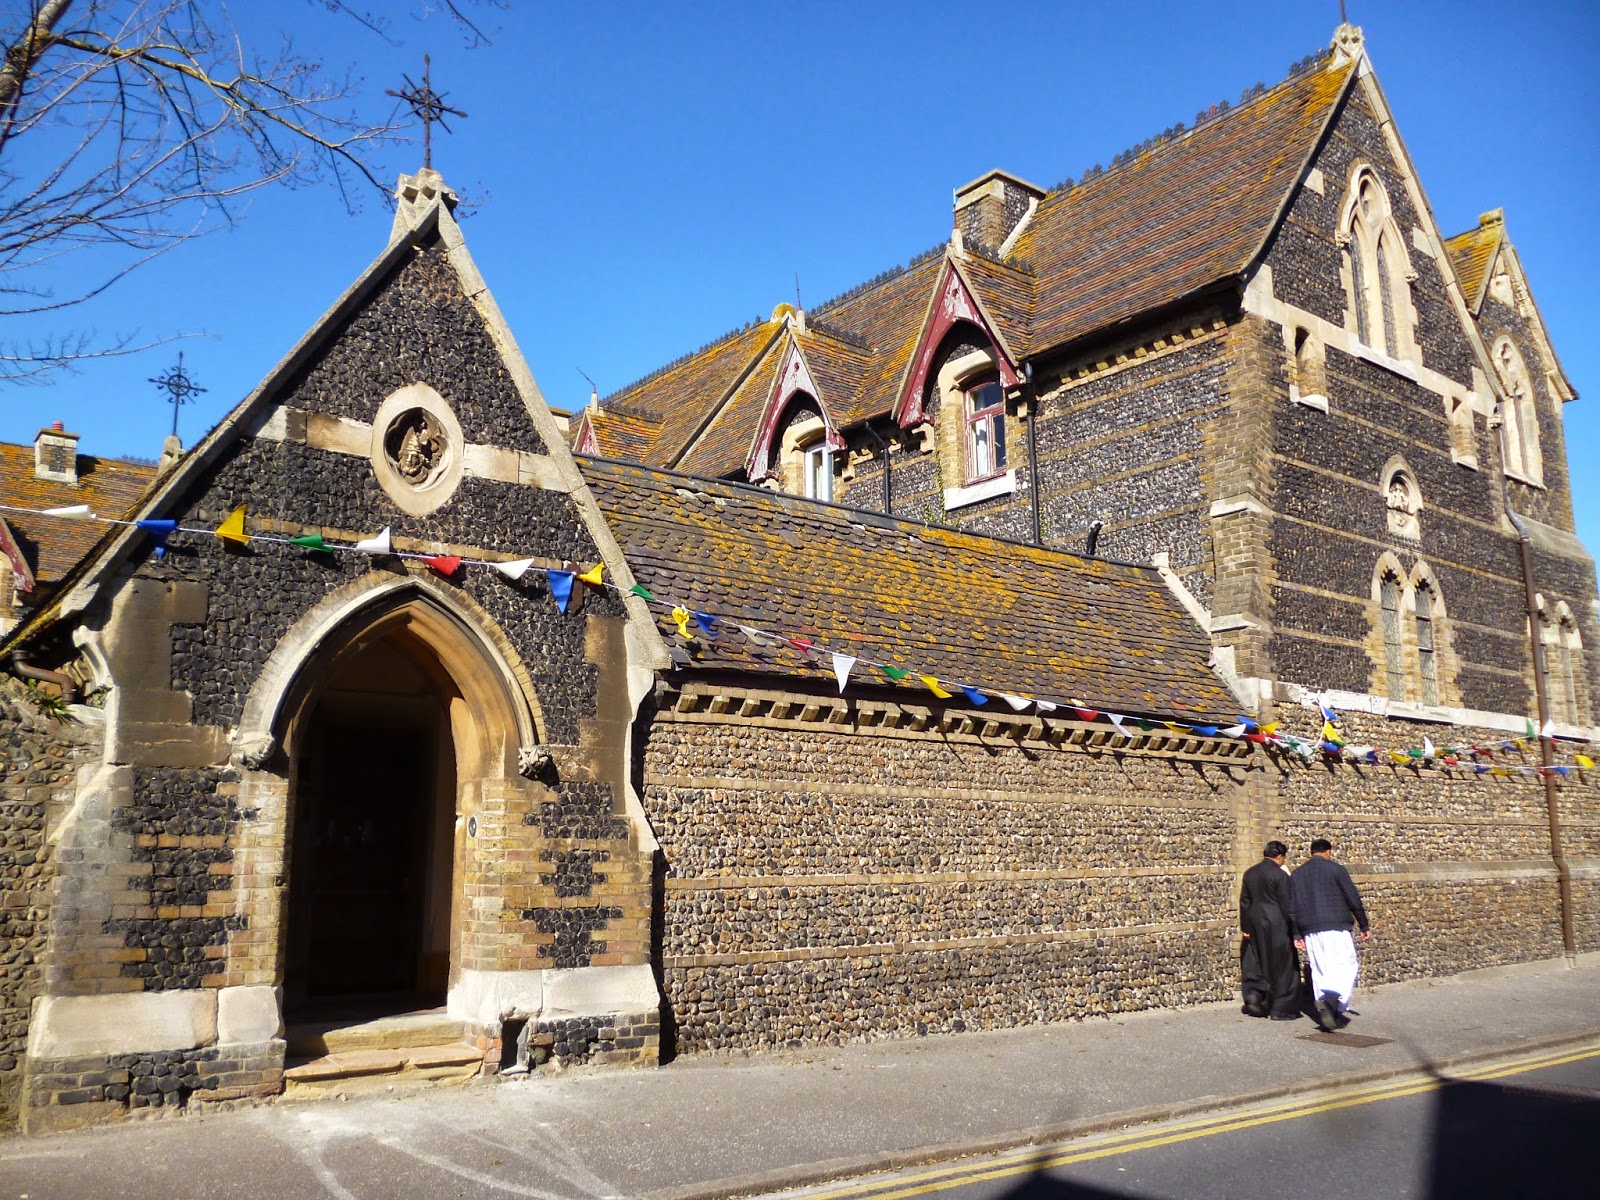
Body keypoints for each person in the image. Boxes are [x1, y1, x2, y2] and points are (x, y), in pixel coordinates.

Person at [1290, 837, 1372, 1031]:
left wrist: (1296, 934)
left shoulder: (1297, 875)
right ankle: (1332, 999)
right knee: (1347, 964)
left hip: (1310, 929)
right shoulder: (1336, 869)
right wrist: (1364, 924)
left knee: (1320, 969)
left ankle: (1326, 1011)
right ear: (1328, 852)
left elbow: (1291, 907)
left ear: (1311, 853)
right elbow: (1352, 897)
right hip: (1336, 925)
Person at [1239, 841, 1301, 1020]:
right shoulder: (1280, 875)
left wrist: (1245, 927)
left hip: (1255, 923)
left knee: (1257, 963)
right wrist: (1296, 930)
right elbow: (1288, 905)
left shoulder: (1250, 873)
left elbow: (1245, 902)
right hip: (1277, 925)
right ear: (1279, 856)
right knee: (1284, 967)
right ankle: (1282, 1009)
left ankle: (1256, 996)